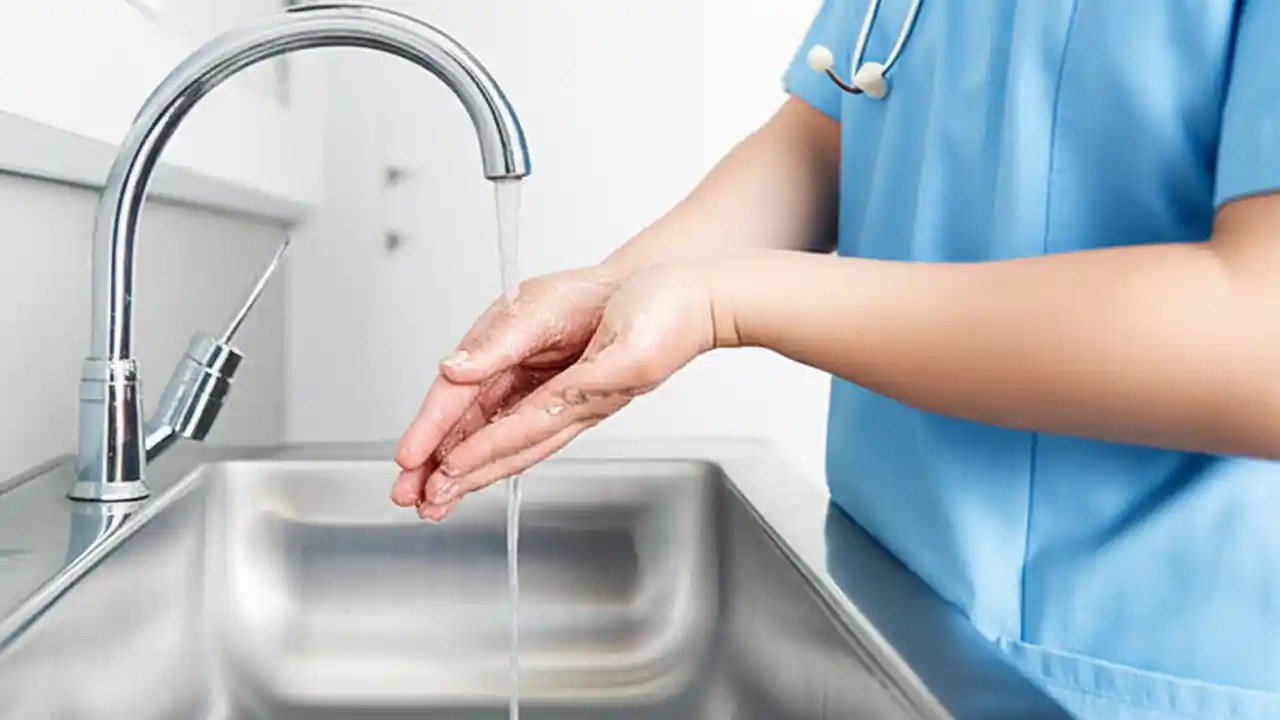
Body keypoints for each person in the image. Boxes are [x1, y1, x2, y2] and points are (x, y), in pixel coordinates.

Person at [392, 1, 1280, 717]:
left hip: (1138, 670)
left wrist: (720, 300)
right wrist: (614, 290)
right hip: (895, 627)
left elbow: (1260, 341)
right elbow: (831, 134)